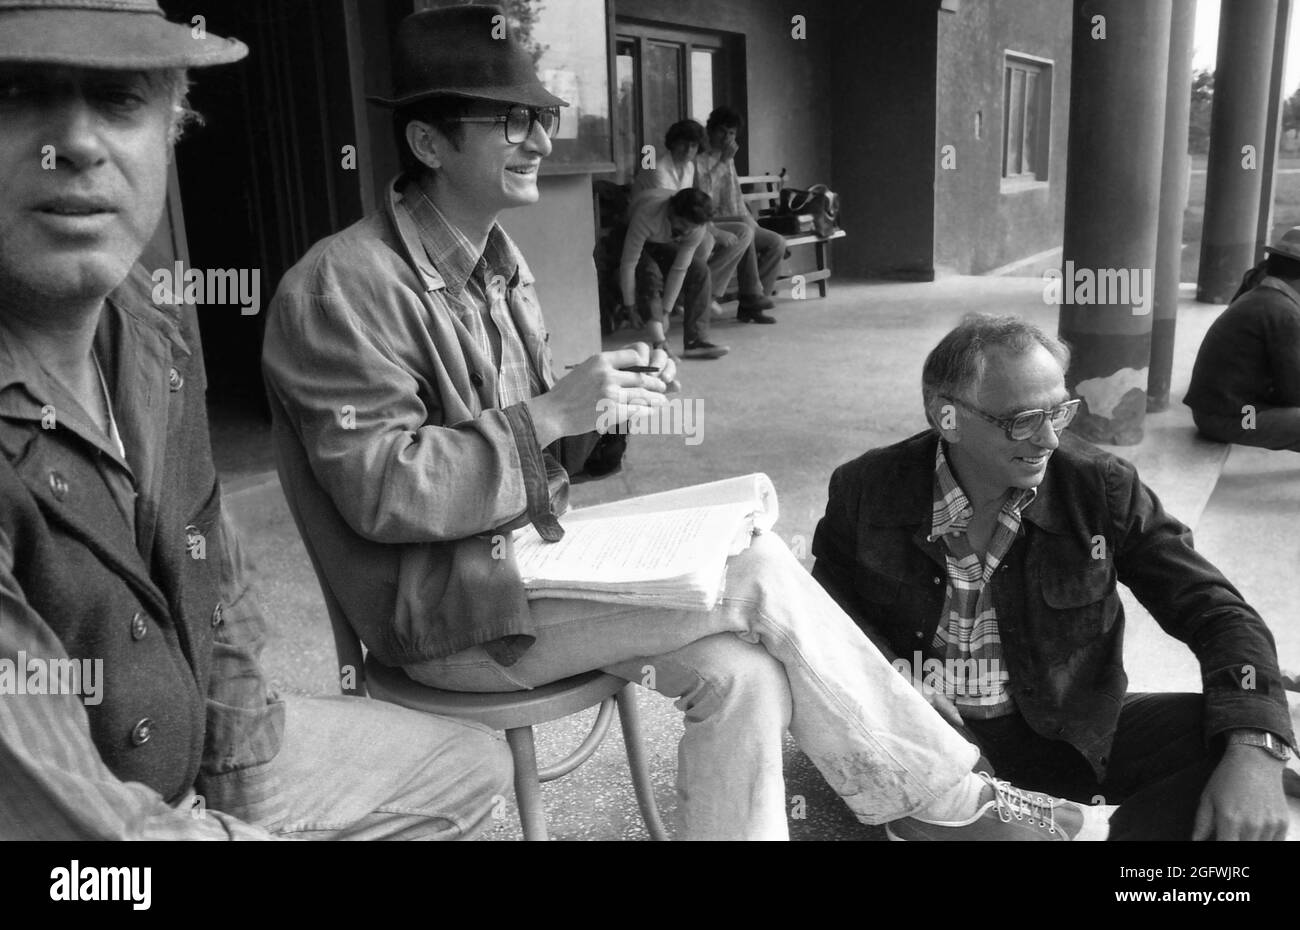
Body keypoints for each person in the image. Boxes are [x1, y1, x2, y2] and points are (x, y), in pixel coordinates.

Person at [264, 5, 1111, 842]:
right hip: (447, 610)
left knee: (742, 671)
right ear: (427, 143)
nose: (536, 139)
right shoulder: (340, 287)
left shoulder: (499, 262)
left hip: (532, 559)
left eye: (542, 117)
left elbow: (549, 451)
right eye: (508, 122)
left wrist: (600, 410)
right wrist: (549, 412)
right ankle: (950, 803)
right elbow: (384, 491)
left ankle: (919, 802)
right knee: (755, 570)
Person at [0, 0, 511, 840]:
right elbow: (78, 837)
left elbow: (218, 584)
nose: (77, 145)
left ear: (169, 130)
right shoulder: (342, 281)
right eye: (17, 91)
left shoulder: (150, 339)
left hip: (191, 773)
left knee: (469, 766)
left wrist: (241, 778)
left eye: (122, 99)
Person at [812, 314, 1296, 841]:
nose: (1048, 438)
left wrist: (1257, 746)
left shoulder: (1098, 487)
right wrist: (893, 676)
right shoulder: (867, 489)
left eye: (1058, 411)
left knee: (1221, 739)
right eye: (1021, 420)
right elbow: (823, 614)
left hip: (1064, 739)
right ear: (945, 415)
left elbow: (1215, 609)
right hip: (931, 744)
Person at [1184, 227, 1300, 452]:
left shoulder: (1263, 296)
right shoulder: (1283, 312)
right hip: (1233, 417)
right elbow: (1294, 393)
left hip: (1220, 410)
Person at [694, 105, 785, 324]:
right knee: (746, 229)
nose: (727, 137)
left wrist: (752, 222)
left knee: (777, 242)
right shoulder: (699, 159)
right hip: (709, 221)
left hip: (736, 218)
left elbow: (734, 197)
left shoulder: (728, 158)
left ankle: (751, 305)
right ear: (710, 130)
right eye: (722, 131)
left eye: (732, 133)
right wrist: (724, 161)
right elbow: (702, 196)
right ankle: (752, 294)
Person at [619, 187, 734, 360]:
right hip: (628, 231)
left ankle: (696, 341)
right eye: (684, 225)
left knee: (700, 271)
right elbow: (629, 264)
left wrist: (666, 311)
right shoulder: (647, 214)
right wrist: (630, 306)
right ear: (671, 211)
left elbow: (680, 269)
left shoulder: (696, 227)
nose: (687, 232)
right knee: (651, 273)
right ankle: (659, 343)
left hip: (662, 238)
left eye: (691, 228)